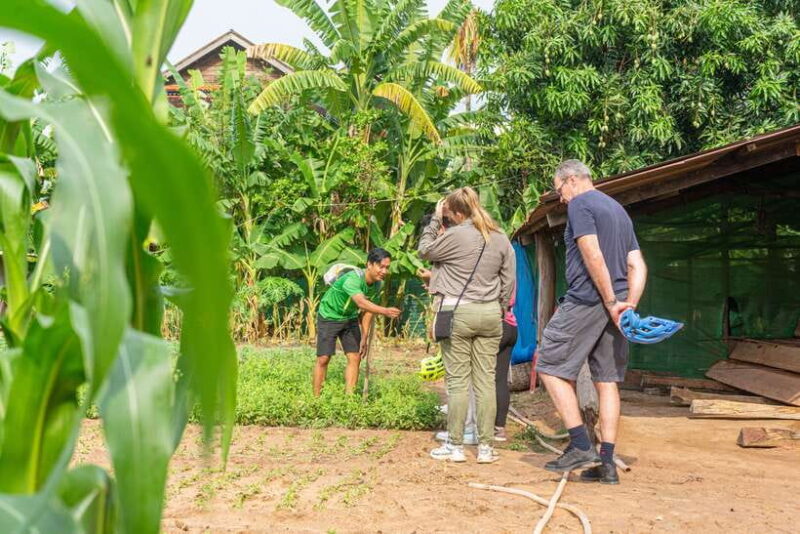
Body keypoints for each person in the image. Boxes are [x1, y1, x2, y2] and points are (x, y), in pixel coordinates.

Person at [535, 160, 647, 484]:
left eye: (560, 192)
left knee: (549, 364)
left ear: (571, 180)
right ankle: (607, 464)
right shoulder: (618, 210)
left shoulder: (582, 204)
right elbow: (637, 264)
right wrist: (629, 306)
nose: (562, 200)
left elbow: (591, 253)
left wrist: (611, 301)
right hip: (619, 305)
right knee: (607, 380)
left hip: (588, 300)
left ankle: (581, 445)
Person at [419, 187, 515, 464]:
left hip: (457, 312)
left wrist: (435, 220)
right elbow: (508, 280)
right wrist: (501, 307)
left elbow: (425, 250)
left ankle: (456, 446)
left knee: (458, 382)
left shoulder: (455, 234)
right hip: (490, 314)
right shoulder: (500, 237)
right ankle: (485, 448)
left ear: (456, 212)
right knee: (485, 381)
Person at [313, 248, 401, 396]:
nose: (384, 271)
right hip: (329, 315)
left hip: (350, 318)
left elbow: (368, 312)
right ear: (370, 264)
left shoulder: (377, 285)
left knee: (355, 357)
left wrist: (365, 336)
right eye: (381, 266)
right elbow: (361, 303)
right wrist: (385, 311)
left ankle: (349, 399)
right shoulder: (353, 279)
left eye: (387, 267)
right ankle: (315, 399)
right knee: (324, 358)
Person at [493, 288, 518, 442]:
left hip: (496, 324)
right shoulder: (510, 270)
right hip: (511, 326)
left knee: (481, 377)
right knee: (500, 379)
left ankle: (477, 425)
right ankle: (499, 429)